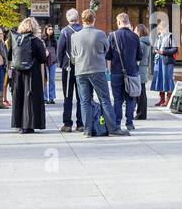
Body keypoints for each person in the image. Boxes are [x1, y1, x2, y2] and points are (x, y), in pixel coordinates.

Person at [70, 9, 124, 137]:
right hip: (97, 70)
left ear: (82, 20)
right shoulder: (100, 34)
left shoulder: (74, 36)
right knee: (104, 99)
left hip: (81, 71)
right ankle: (113, 129)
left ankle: (87, 130)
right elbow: (106, 51)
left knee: (85, 101)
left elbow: (73, 56)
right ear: (94, 19)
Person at [10, 18, 47, 134]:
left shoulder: (15, 40)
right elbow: (42, 59)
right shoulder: (36, 41)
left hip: (17, 73)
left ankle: (19, 123)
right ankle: (29, 124)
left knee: (19, 96)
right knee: (30, 97)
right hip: (32, 73)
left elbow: (9, 55)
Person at [107, 12, 143, 133]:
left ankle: (117, 123)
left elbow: (108, 55)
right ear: (128, 21)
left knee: (117, 99)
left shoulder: (113, 36)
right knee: (130, 99)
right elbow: (139, 56)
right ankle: (130, 123)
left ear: (118, 22)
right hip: (132, 72)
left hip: (116, 72)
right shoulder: (135, 36)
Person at [55, 8, 84, 133]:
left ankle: (67, 124)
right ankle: (80, 124)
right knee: (81, 97)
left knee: (68, 96)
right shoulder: (83, 30)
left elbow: (60, 50)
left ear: (67, 19)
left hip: (68, 68)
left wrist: (61, 64)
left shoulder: (65, 32)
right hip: (82, 67)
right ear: (77, 18)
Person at [151, 17, 177, 107]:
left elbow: (175, 49)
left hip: (167, 61)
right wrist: (155, 50)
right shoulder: (158, 37)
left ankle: (168, 99)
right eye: (159, 28)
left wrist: (163, 52)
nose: (160, 30)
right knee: (159, 79)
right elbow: (154, 47)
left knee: (167, 79)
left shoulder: (170, 36)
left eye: (161, 28)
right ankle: (161, 99)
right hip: (158, 60)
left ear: (166, 28)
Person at [135, 24, 152, 122]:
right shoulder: (146, 42)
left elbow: (138, 58)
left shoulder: (141, 43)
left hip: (140, 69)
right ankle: (141, 113)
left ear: (139, 32)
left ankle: (141, 114)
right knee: (142, 92)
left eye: (135, 30)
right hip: (144, 69)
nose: (134, 32)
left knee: (140, 94)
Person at [42, 23, 58, 104]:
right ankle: (44, 97)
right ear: (46, 30)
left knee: (52, 80)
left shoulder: (54, 40)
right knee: (44, 80)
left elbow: (56, 50)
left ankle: (52, 97)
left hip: (53, 62)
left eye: (52, 29)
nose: (51, 31)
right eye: (49, 29)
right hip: (44, 62)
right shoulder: (42, 39)